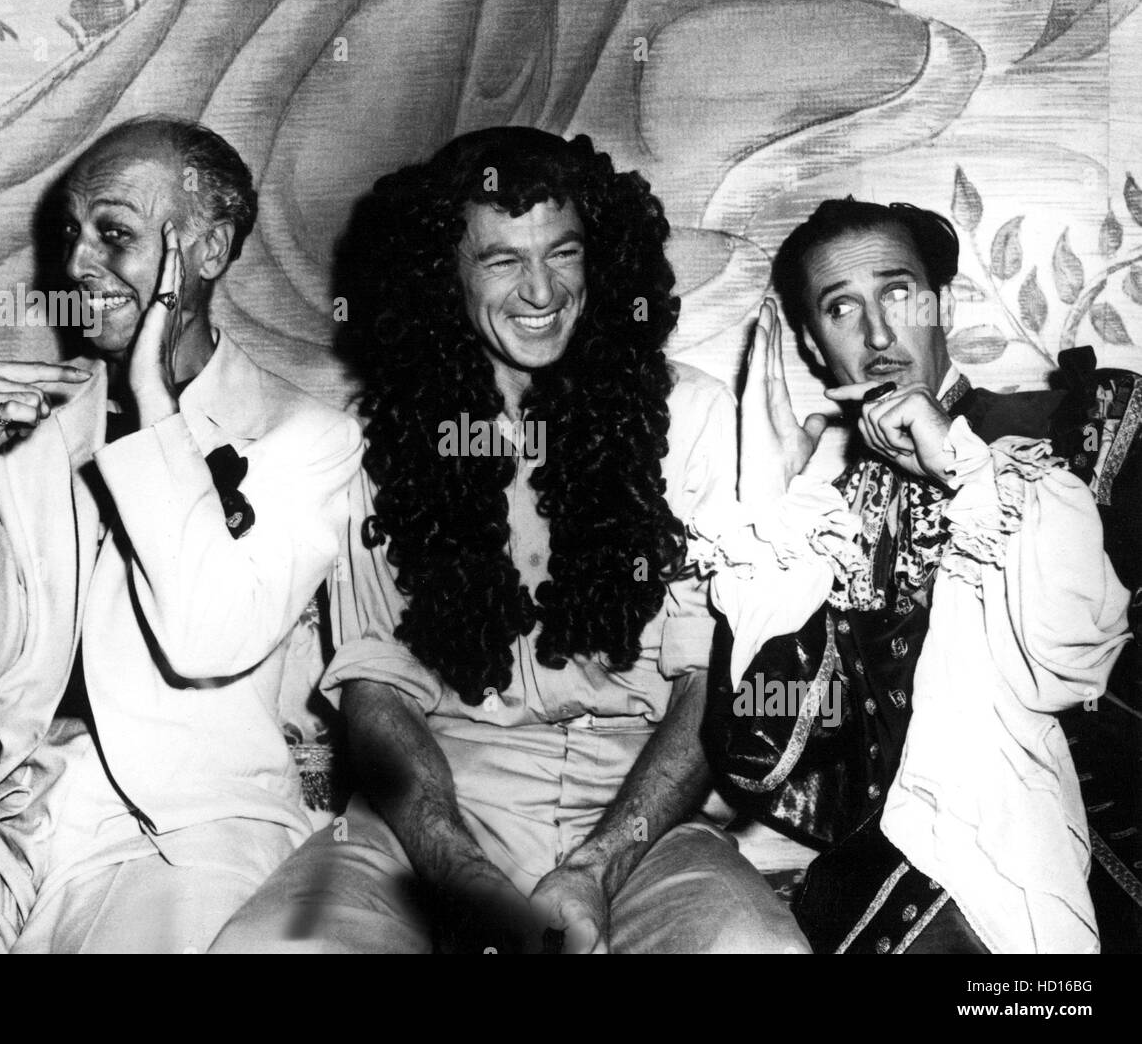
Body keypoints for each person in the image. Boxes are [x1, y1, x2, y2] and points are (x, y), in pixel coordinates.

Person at [211, 126, 808, 954]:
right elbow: (376, 686)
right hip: (436, 813)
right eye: (500, 261)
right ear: (444, 276)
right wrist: (453, 864)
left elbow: (712, 686)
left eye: (561, 254)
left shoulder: (696, 419)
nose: (540, 292)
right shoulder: (377, 441)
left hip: (641, 819)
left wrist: (600, 864)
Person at [0, 117, 363, 953]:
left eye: (113, 232)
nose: (78, 263)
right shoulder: (37, 418)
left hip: (183, 836)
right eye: (70, 235)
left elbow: (207, 639)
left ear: (209, 248)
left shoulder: (306, 437)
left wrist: (154, 405)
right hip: (1, 821)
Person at [695, 197, 1131, 953]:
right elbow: (760, 759)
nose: (875, 334)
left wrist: (963, 466)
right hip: (898, 877)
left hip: (1093, 871)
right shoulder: (820, 506)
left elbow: (1081, 660)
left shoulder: (1076, 431)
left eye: (898, 293)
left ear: (945, 303)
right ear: (809, 340)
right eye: (841, 308)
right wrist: (773, 524)